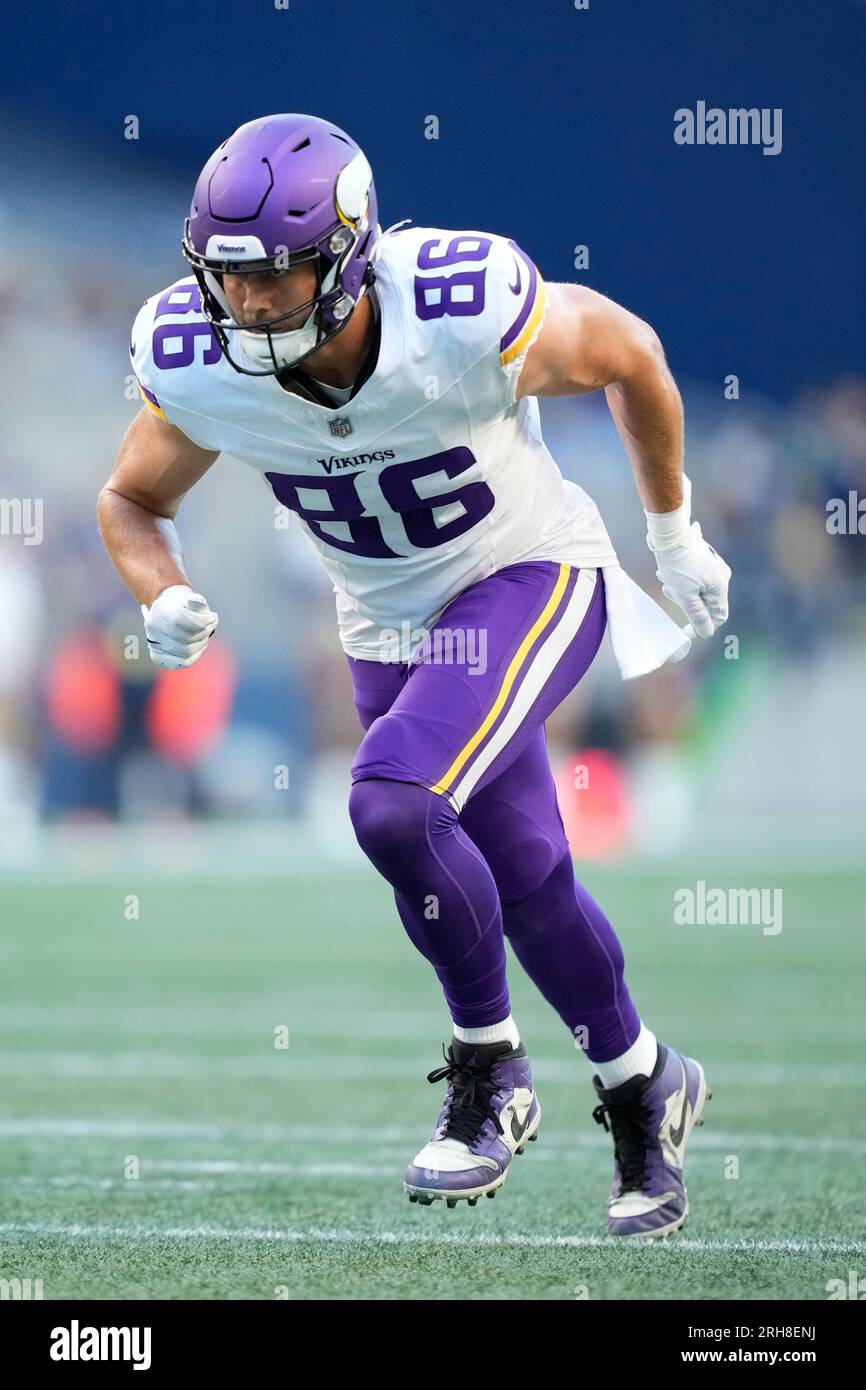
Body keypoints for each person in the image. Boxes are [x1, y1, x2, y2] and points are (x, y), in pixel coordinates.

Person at [98, 113, 729, 1237]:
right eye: (227, 279)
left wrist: (672, 536)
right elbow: (132, 498)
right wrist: (160, 591)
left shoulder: (457, 307)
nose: (246, 306)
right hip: (385, 620)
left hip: (526, 571)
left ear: (345, 257)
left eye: (277, 277)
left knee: (390, 802)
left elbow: (630, 352)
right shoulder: (193, 354)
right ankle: (644, 1085)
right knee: (526, 875)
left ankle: (489, 1067)